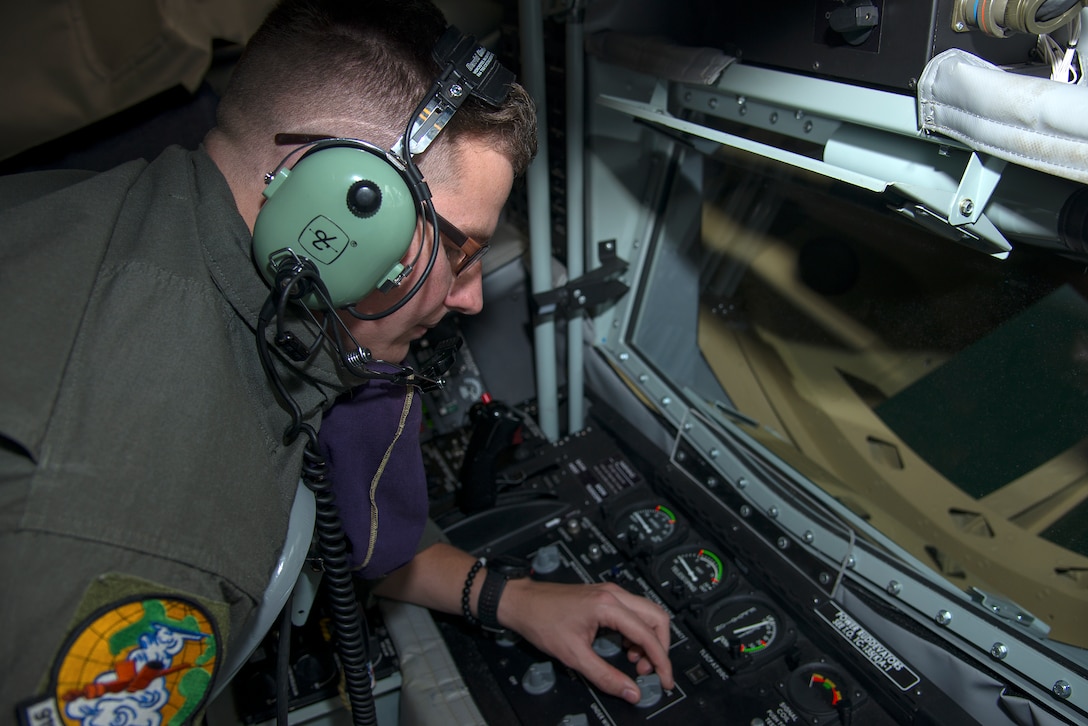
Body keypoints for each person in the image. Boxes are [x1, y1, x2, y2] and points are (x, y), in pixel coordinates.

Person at [0, 0, 672, 720]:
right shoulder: (146, 545)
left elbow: (337, 522)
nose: (472, 298)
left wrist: (508, 597)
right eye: (461, 250)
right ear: (340, 216)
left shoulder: (107, 211)